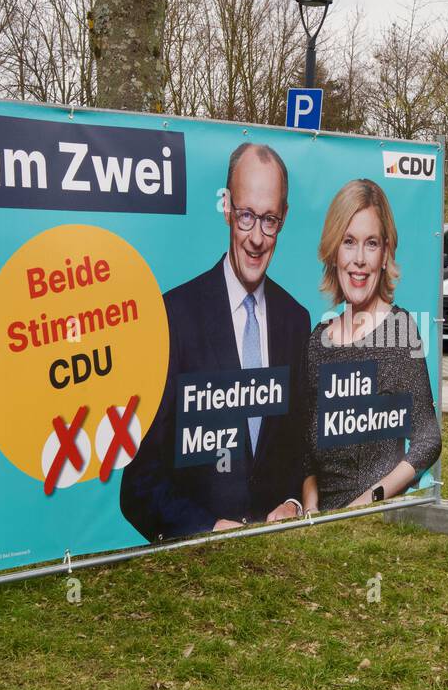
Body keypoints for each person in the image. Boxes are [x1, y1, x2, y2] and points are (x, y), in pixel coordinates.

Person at [120, 143, 312, 541]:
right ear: (225, 207)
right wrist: (206, 529)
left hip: (281, 566)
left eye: (270, 219)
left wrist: (293, 502)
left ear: (284, 218)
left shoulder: (297, 321)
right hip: (197, 578)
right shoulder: (172, 316)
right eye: (246, 216)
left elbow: (297, 450)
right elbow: (138, 483)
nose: (257, 237)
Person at [301, 179, 441, 513]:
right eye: (349, 242)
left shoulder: (400, 330)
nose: (359, 259)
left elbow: (427, 440)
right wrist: (310, 507)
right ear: (334, 252)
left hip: (374, 520)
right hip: (317, 528)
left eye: (371, 243)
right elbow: (304, 448)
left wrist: (365, 504)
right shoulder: (317, 341)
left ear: (385, 254)